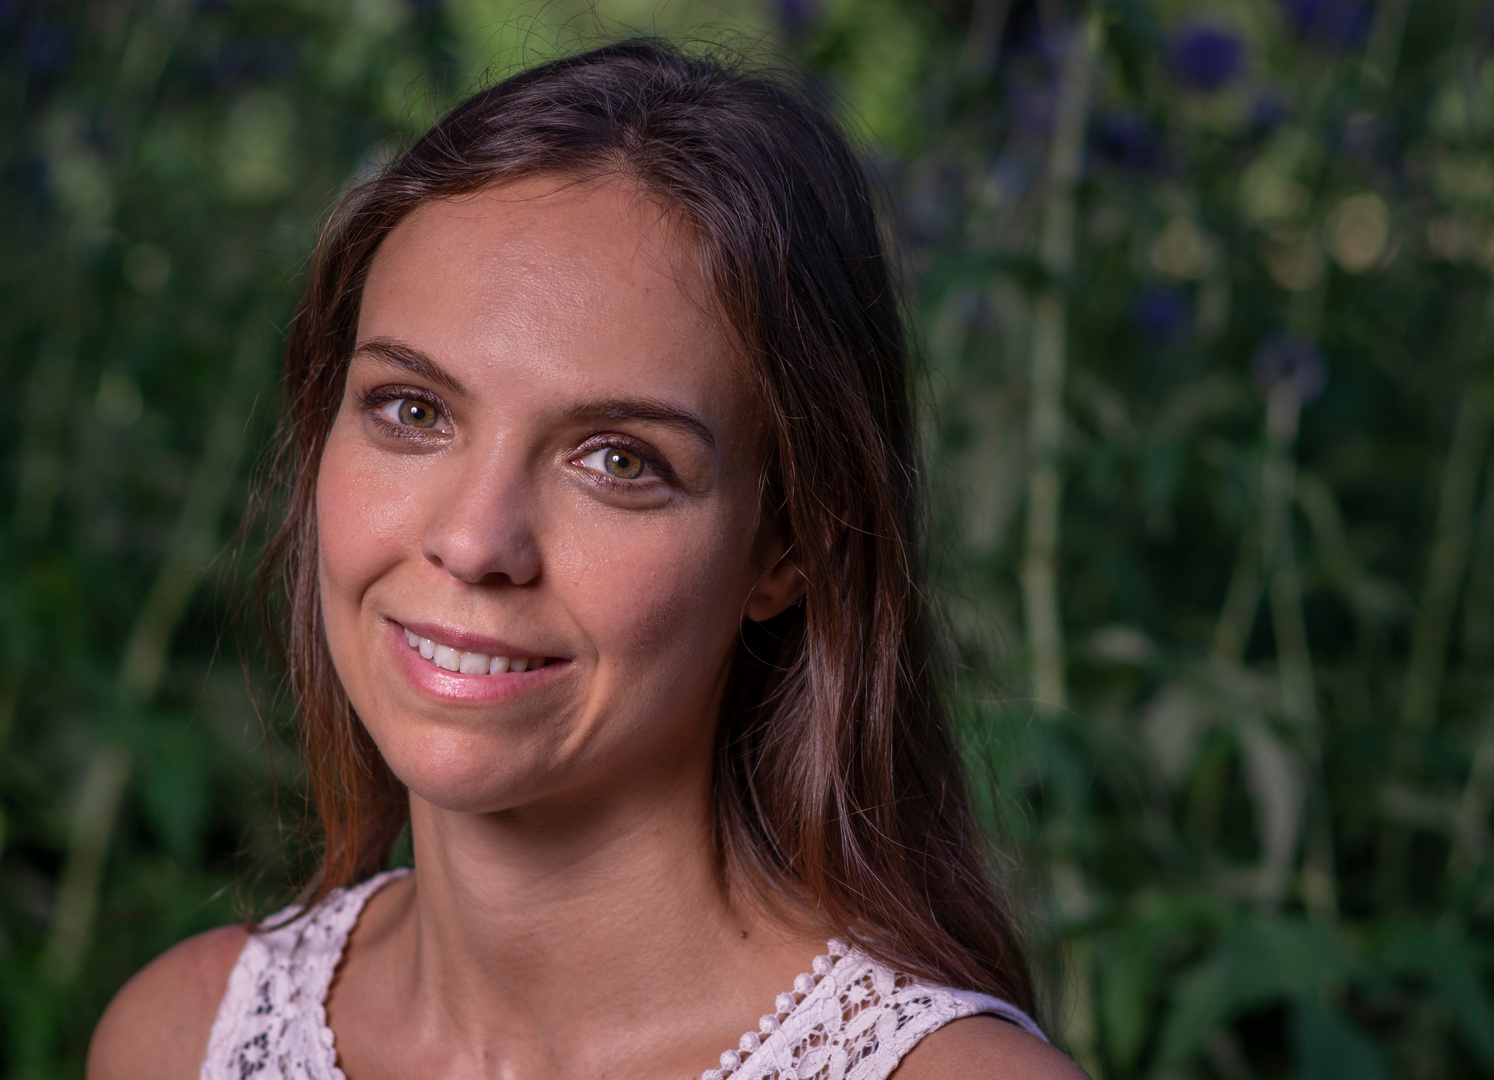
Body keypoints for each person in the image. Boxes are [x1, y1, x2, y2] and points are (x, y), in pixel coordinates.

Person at [87, 40, 1084, 1080]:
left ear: (786, 547)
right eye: (412, 410)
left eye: (618, 460)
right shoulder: (176, 1041)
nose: (475, 542)